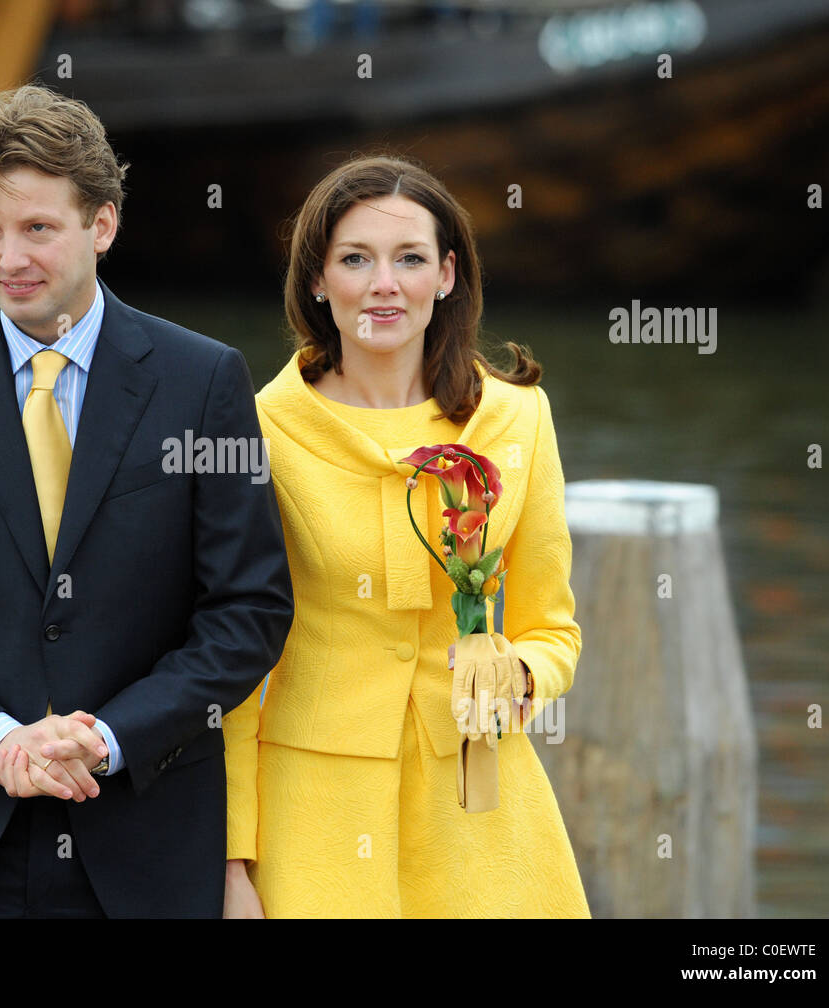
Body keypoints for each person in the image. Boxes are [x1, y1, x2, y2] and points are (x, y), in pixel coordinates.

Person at [0, 83, 293, 918]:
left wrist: (108, 740)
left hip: (144, 845)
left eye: (38, 228)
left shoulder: (204, 380)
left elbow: (248, 611)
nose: (10, 259)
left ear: (102, 225)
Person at [221, 154, 589, 918]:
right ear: (318, 281)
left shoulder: (519, 421)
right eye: (355, 258)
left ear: (447, 275)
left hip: (478, 807)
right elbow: (231, 673)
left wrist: (519, 675)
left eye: (410, 258)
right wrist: (232, 864)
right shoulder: (260, 431)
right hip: (313, 812)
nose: (383, 283)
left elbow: (553, 630)